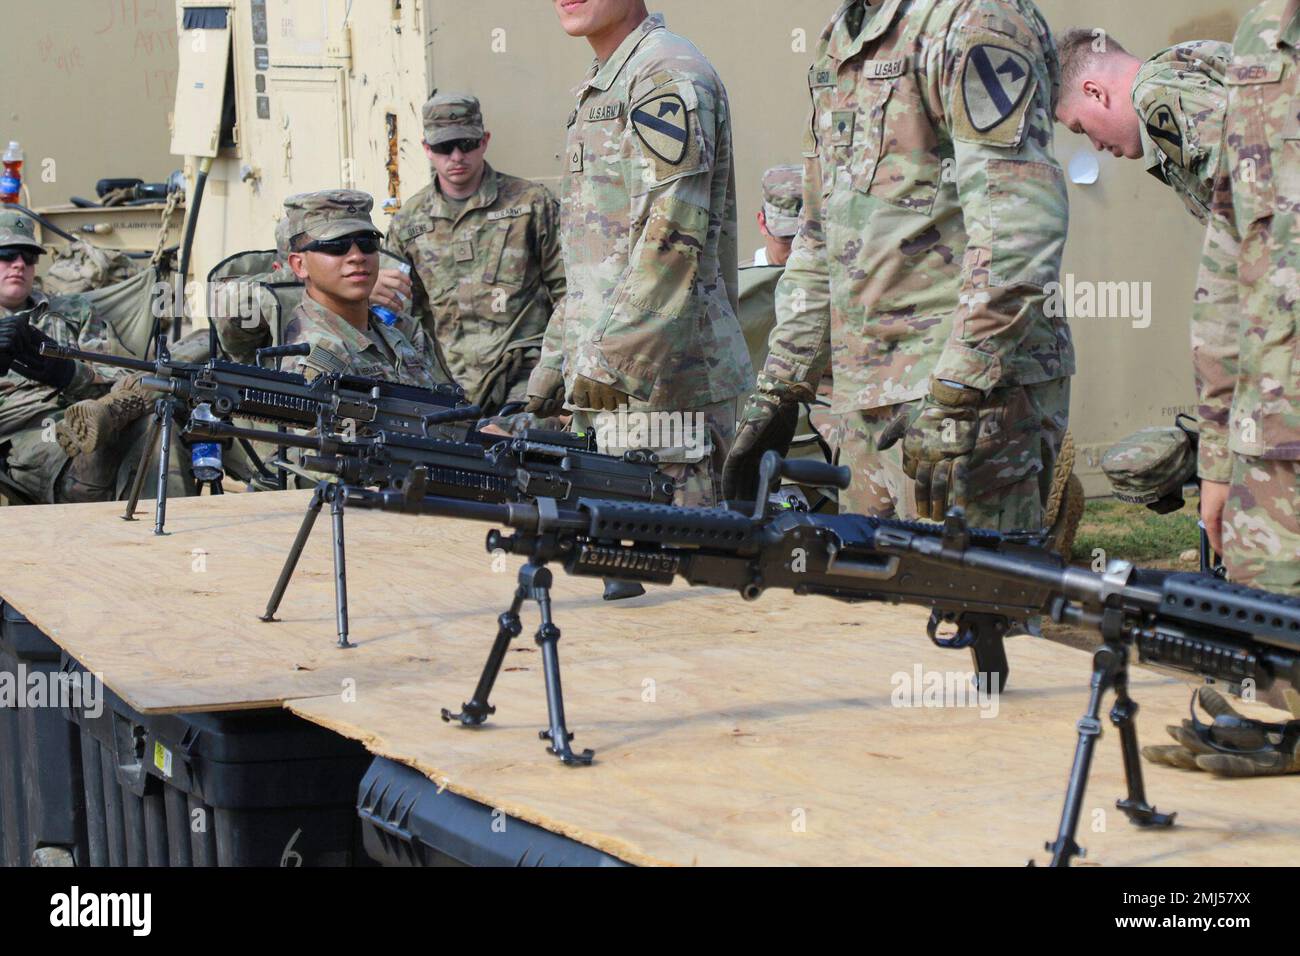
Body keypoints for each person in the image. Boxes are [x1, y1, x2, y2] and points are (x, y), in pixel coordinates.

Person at [724, 0, 1073, 530]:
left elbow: (1018, 223)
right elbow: (820, 236)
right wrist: (781, 383)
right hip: (868, 399)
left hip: (964, 399)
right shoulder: (842, 39)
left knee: (968, 601)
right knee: (869, 604)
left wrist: (957, 390)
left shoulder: (975, 19)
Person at [528, 0, 751, 506]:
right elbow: (593, 258)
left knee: (679, 570)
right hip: (615, 390)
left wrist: (611, 366)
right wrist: (557, 365)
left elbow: (672, 242)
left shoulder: (665, 74)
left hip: (667, 394)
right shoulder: (607, 81)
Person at [1192, 0, 1300, 597]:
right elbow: (1229, 253)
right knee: (1267, 676)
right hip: (1269, 462)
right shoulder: (1260, 36)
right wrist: (1216, 459)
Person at [379, 93, 566, 412]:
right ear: (427, 149)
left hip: (524, 379)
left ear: (484, 141)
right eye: (443, 147)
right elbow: (398, 314)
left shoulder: (530, 204)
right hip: (448, 385)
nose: (456, 157)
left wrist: (553, 368)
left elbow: (570, 293)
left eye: (466, 144)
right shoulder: (409, 222)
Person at [0, 210, 139, 502]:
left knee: (159, 431)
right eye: (7, 254)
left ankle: (177, 539)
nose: (19, 265)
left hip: (94, 414)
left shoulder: (73, 311)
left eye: (28, 256)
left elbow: (122, 376)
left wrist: (68, 374)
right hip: (27, 432)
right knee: (93, 460)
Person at [1054, 29, 1230, 222]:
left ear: (1095, 93)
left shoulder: (1154, 94)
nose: (1097, 145)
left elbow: (1255, 185)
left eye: (1081, 128)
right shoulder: (1169, 83)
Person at [280, 190, 446, 388]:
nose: (357, 256)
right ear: (299, 265)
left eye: (367, 242)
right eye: (336, 245)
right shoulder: (313, 361)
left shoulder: (395, 333)